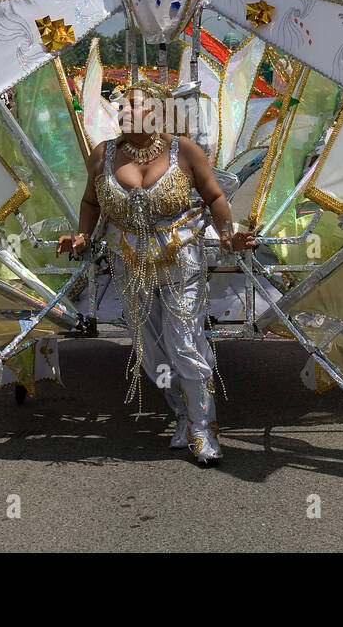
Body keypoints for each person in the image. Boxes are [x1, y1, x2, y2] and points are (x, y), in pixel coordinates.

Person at [58, 80, 252, 466]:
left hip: (181, 262)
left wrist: (229, 237)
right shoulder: (103, 155)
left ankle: (202, 428)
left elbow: (214, 196)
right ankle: (181, 413)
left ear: (157, 112)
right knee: (152, 353)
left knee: (185, 345)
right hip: (129, 266)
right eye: (123, 107)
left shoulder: (184, 152)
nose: (128, 112)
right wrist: (81, 237)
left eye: (137, 107)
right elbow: (90, 200)